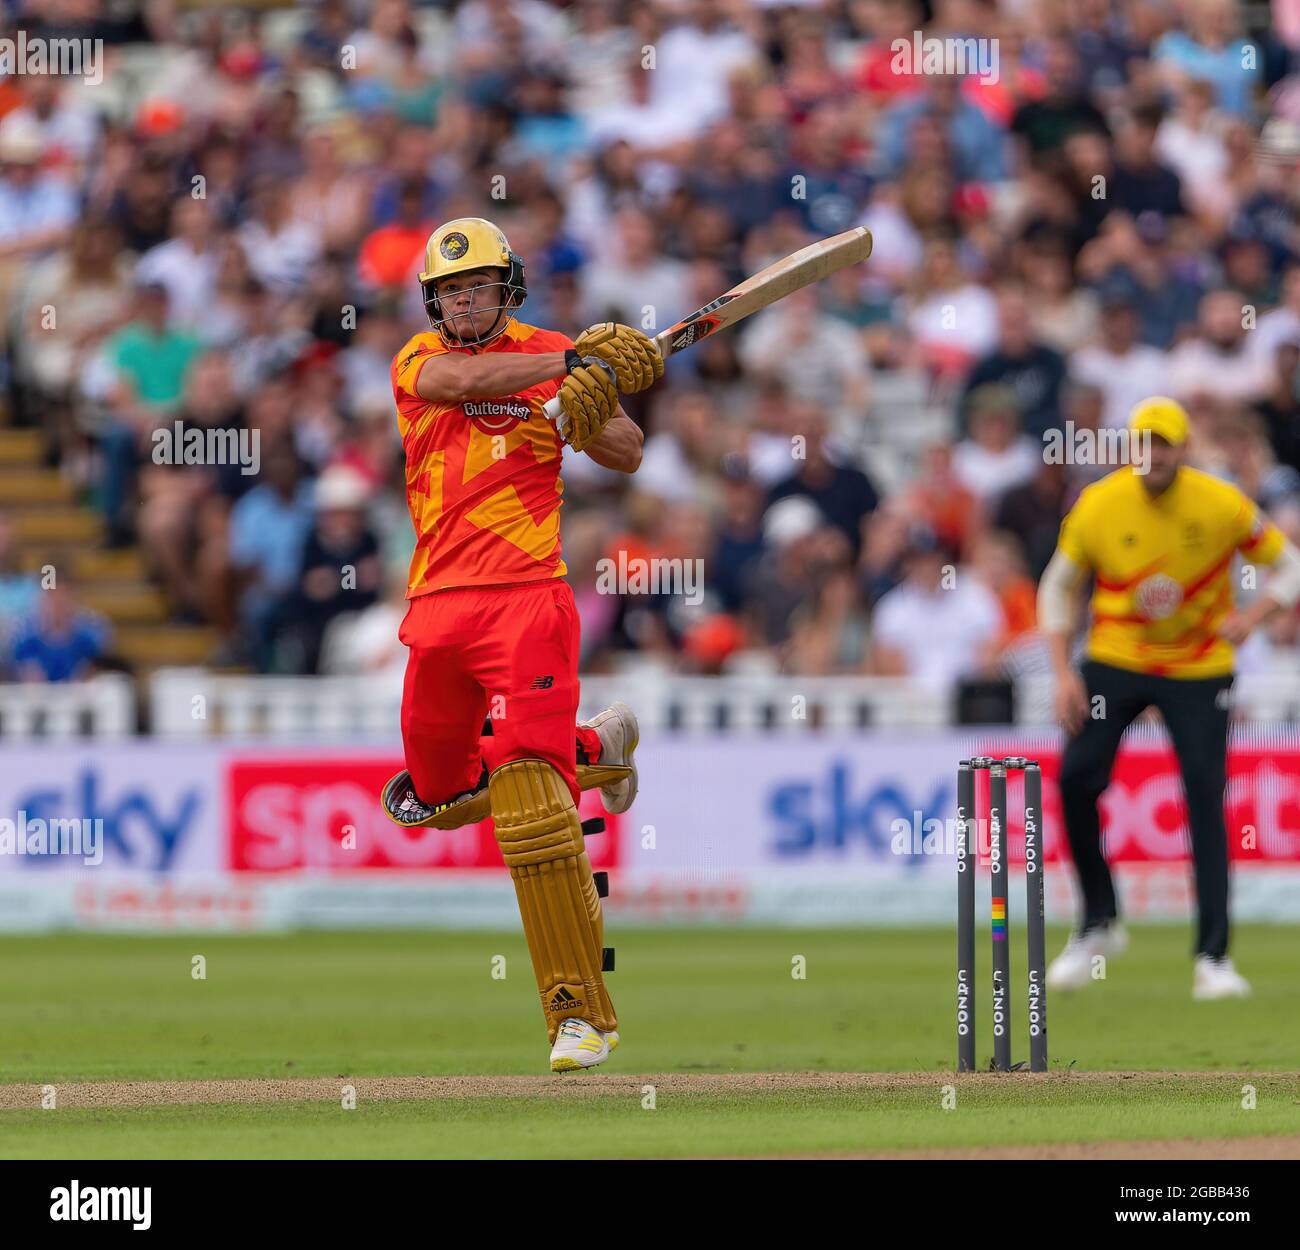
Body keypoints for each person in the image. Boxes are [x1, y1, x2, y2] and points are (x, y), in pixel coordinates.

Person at [381, 216, 660, 1073]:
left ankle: (579, 1017)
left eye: (481, 288)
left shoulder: (553, 350)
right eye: (452, 292)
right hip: (437, 603)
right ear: (434, 301)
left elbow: (629, 453)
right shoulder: (415, 361)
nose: (467, 302)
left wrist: (587, 412)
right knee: (432, 792)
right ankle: (601, 748)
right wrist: (568, 367)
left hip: (529, 598)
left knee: (534, 803)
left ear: (510, 289)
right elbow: (466, 385)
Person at [1037, 397, 1300, 999]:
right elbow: (1057, 587)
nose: (1152, 455)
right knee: (1076, 779)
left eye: (1163, 443)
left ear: (1182, 449)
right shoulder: (1100, 503)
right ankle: (1098, 922)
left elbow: (1289, 567)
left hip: (1199, 665)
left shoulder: (1220, 502)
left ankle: (1214, 957)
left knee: (1205, 798)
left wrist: (1253, 615)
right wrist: (1061, 672)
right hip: (1116, 657)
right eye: (1142, 443)